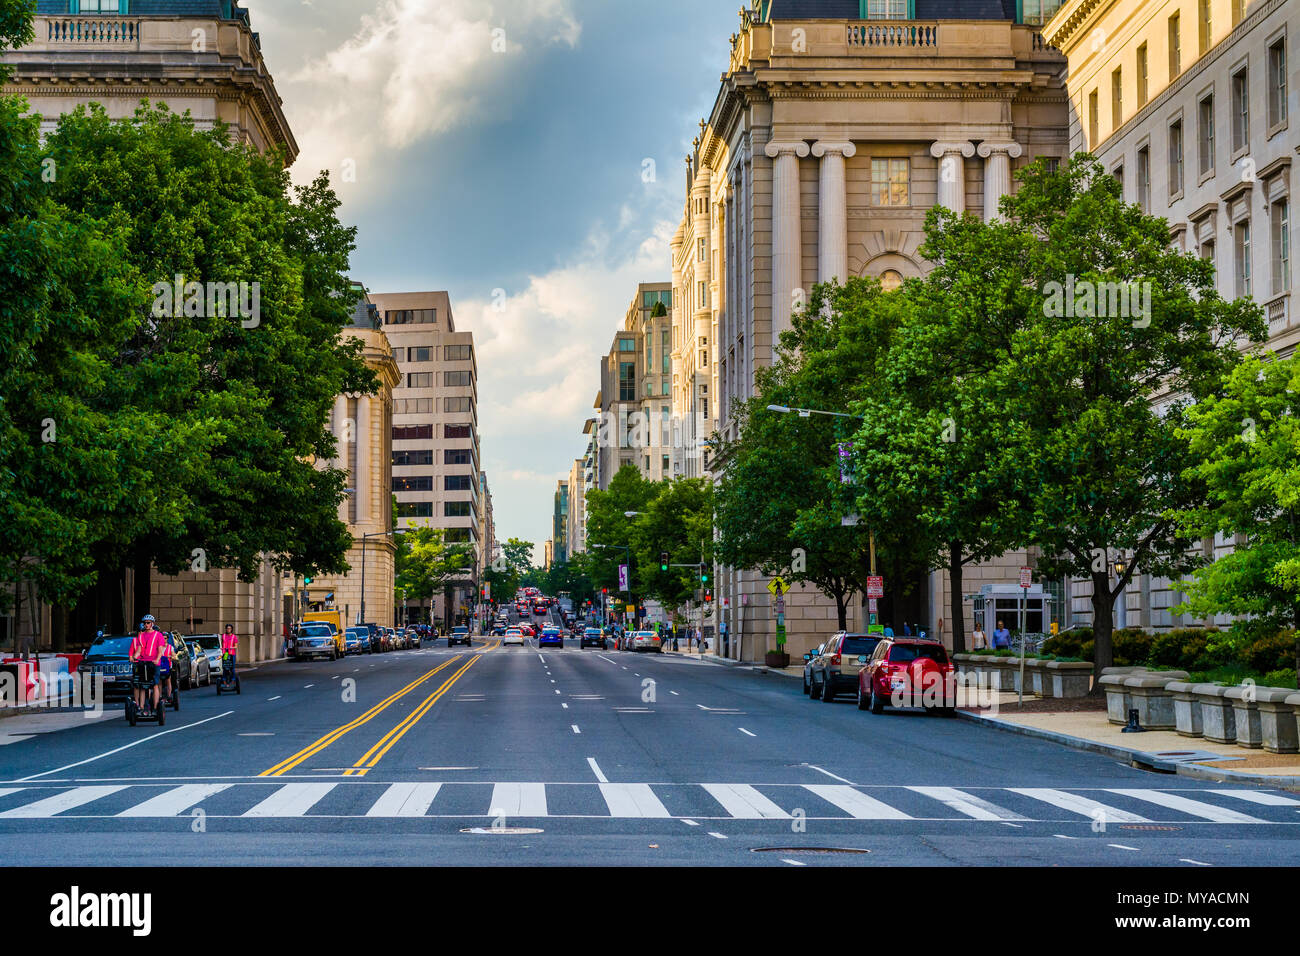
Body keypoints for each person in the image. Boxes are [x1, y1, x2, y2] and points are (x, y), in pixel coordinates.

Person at [129, 615, 165, 713]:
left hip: (154, 663)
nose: (146, 625)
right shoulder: (141, 635)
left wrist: (157, 659)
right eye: (144, 623)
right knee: (142, 684)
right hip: (143, 662)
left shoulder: (158, 635)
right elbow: (139, 650)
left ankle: (156, 707)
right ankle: (141, 707)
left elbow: (160, 650)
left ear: (152, 624)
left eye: (148, 623)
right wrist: (134, 657)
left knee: (154, 684)